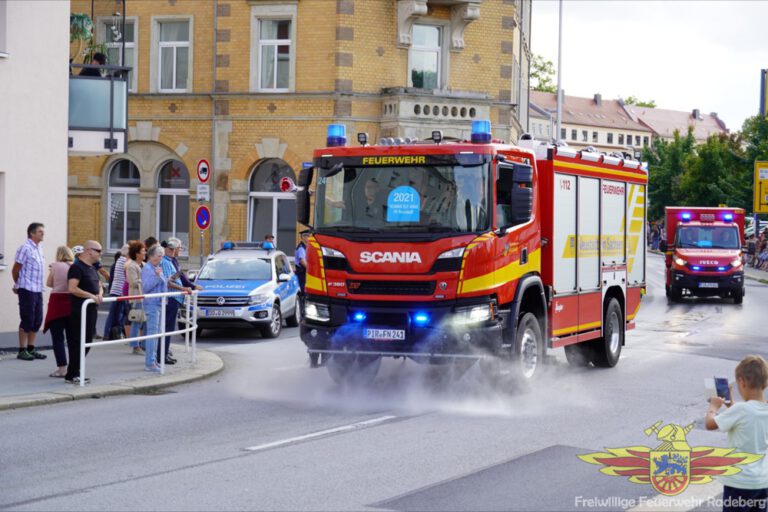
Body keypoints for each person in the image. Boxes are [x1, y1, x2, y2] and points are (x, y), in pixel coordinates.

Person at [706, 355, 768, 511]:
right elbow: (749, 417)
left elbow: (710, 424)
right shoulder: (756, 410)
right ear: (765, 383)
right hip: (761, 482)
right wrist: (731, 405)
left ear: (742, 382)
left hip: (739, 482)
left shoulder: (740, 410)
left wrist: (713, 407)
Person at [65, 241, 104, 384]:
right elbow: (72, 288)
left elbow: (99, 285)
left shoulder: (92, 268)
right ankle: (72, 373)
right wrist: (90, 296)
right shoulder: (76, 267)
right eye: (99, 251)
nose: (101, 253)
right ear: (89, 251)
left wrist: (99, 294)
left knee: (88, 341)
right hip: (78, 311)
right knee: (78, 342)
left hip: (91, 310)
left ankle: (75, 371)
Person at [158, 238, 198, 365]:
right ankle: (162, 355)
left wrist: (185, 285)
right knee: (166, 328)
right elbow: (168, 282)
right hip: (171, 298)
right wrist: (184, 288)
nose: (173, 251)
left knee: (168, 328)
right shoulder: (165, 261)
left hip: (174, 298)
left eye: (174, 249)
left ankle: (164, 354)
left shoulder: (169, 261)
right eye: (171, 248)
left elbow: (173, 279)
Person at [11, 222, 47, 361]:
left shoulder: (39, 248)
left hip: (37, 289)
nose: (43, 233)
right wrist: (18, 284)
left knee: (37, 320)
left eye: (43, 231)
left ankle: (31, 348)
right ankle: (22, 350)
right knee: (27, 318)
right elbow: (16, 268)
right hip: (27, 288)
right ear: (32, 233)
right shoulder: (25, 248)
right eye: (40, 231)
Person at [42, 246, 75, 377]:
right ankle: (74, 367)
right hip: (72, 302)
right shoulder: (76, 266)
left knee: (58, 338)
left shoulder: (55, 266)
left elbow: (49, 283)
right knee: (72, 337)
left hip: (57, 303)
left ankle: (62, 368)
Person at [142, 245, 167, 372]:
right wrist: (157, 277)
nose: (161, 258)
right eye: (159, 256)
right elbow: (145, 287)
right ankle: (149, 363)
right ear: (151, 256)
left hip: (159, 303)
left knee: (156, 333)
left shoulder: (156, 267)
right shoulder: (147, 268)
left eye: (162, 256)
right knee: (152, 333)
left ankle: (154, 360)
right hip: (152, 303)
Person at [125, 240, 146, 355]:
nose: (145, 253)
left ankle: (143, 345)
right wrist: (146, 280)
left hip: (145, 297)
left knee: (144, 321)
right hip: (136, 297)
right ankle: (135, 346)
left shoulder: (144, 265)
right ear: (137, 253)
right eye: (143, 251)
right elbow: (133, 282)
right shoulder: (131, 266)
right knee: (136, 321)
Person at [103, 245, 129, 340]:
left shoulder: (119, 260)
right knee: (117, 313)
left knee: (115, 313)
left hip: (116, 290)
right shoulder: (124, 260)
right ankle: (109, 334)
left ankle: (109, 334)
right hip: (119, 291)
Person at [295, 230, 310, 296]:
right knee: (303, 289)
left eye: (309, 236)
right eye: (307, 236)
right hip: (302, 271)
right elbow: (302, 261)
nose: (309, 238)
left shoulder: (305, 246)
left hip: (303, 271)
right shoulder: (301, 247)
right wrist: (310, 269)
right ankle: (302, 304)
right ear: (303, 237)